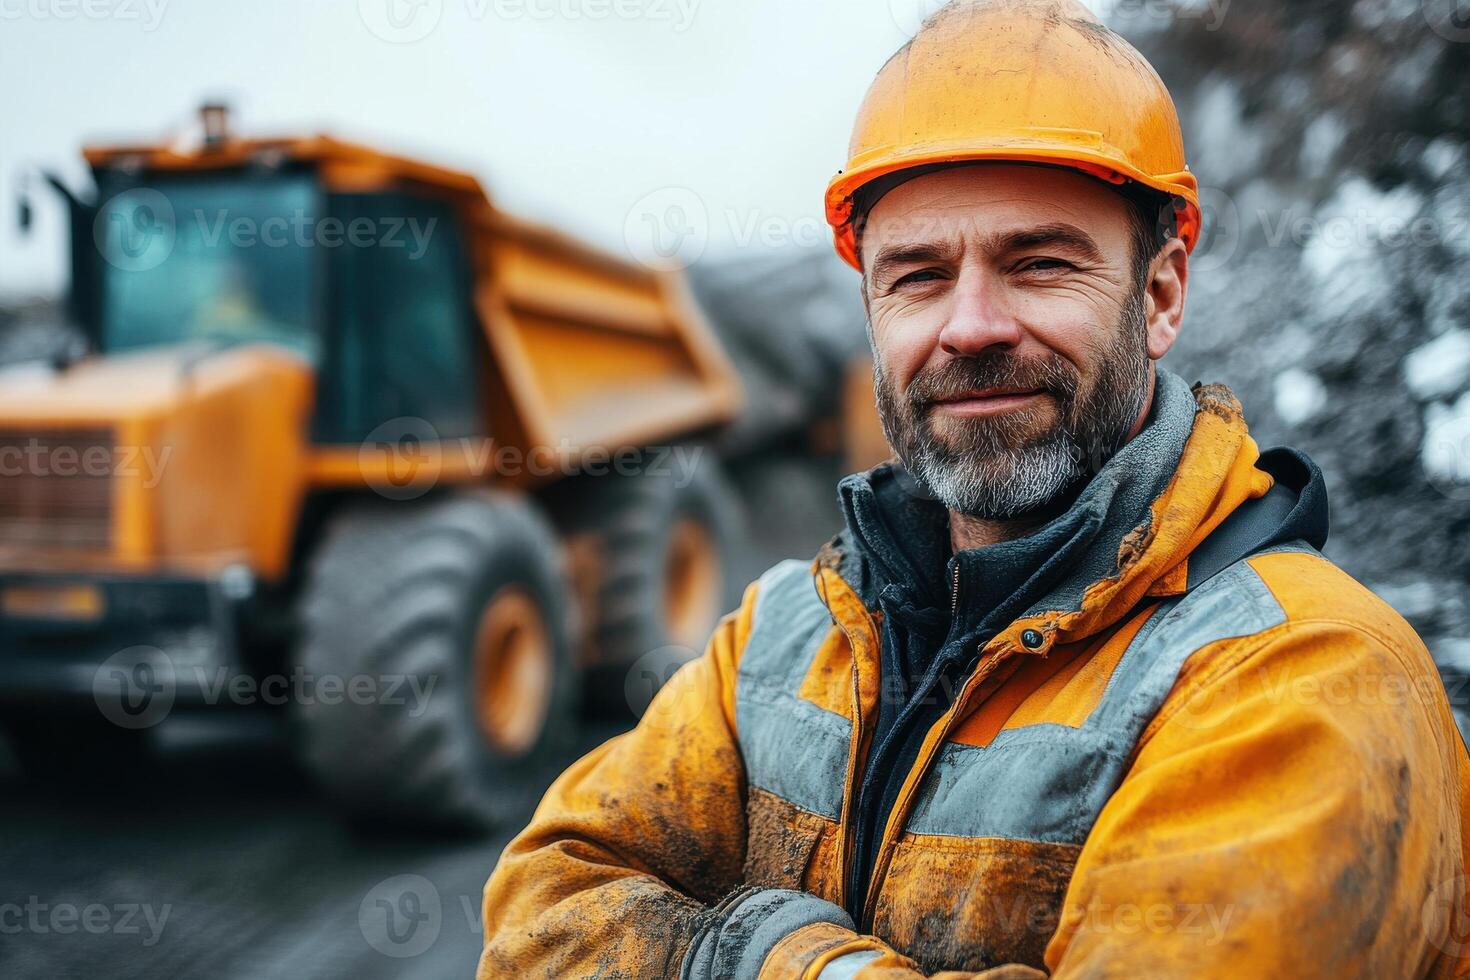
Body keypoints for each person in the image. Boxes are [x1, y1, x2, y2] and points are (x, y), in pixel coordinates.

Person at [478, 1, 1470, 976]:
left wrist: (767, 952)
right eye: (916, 276)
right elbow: (544, 903)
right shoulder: (780, 634)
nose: (972, 327)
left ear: (1160, 294)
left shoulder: (1304, 679)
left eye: (1039, 263)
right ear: (870, 306)